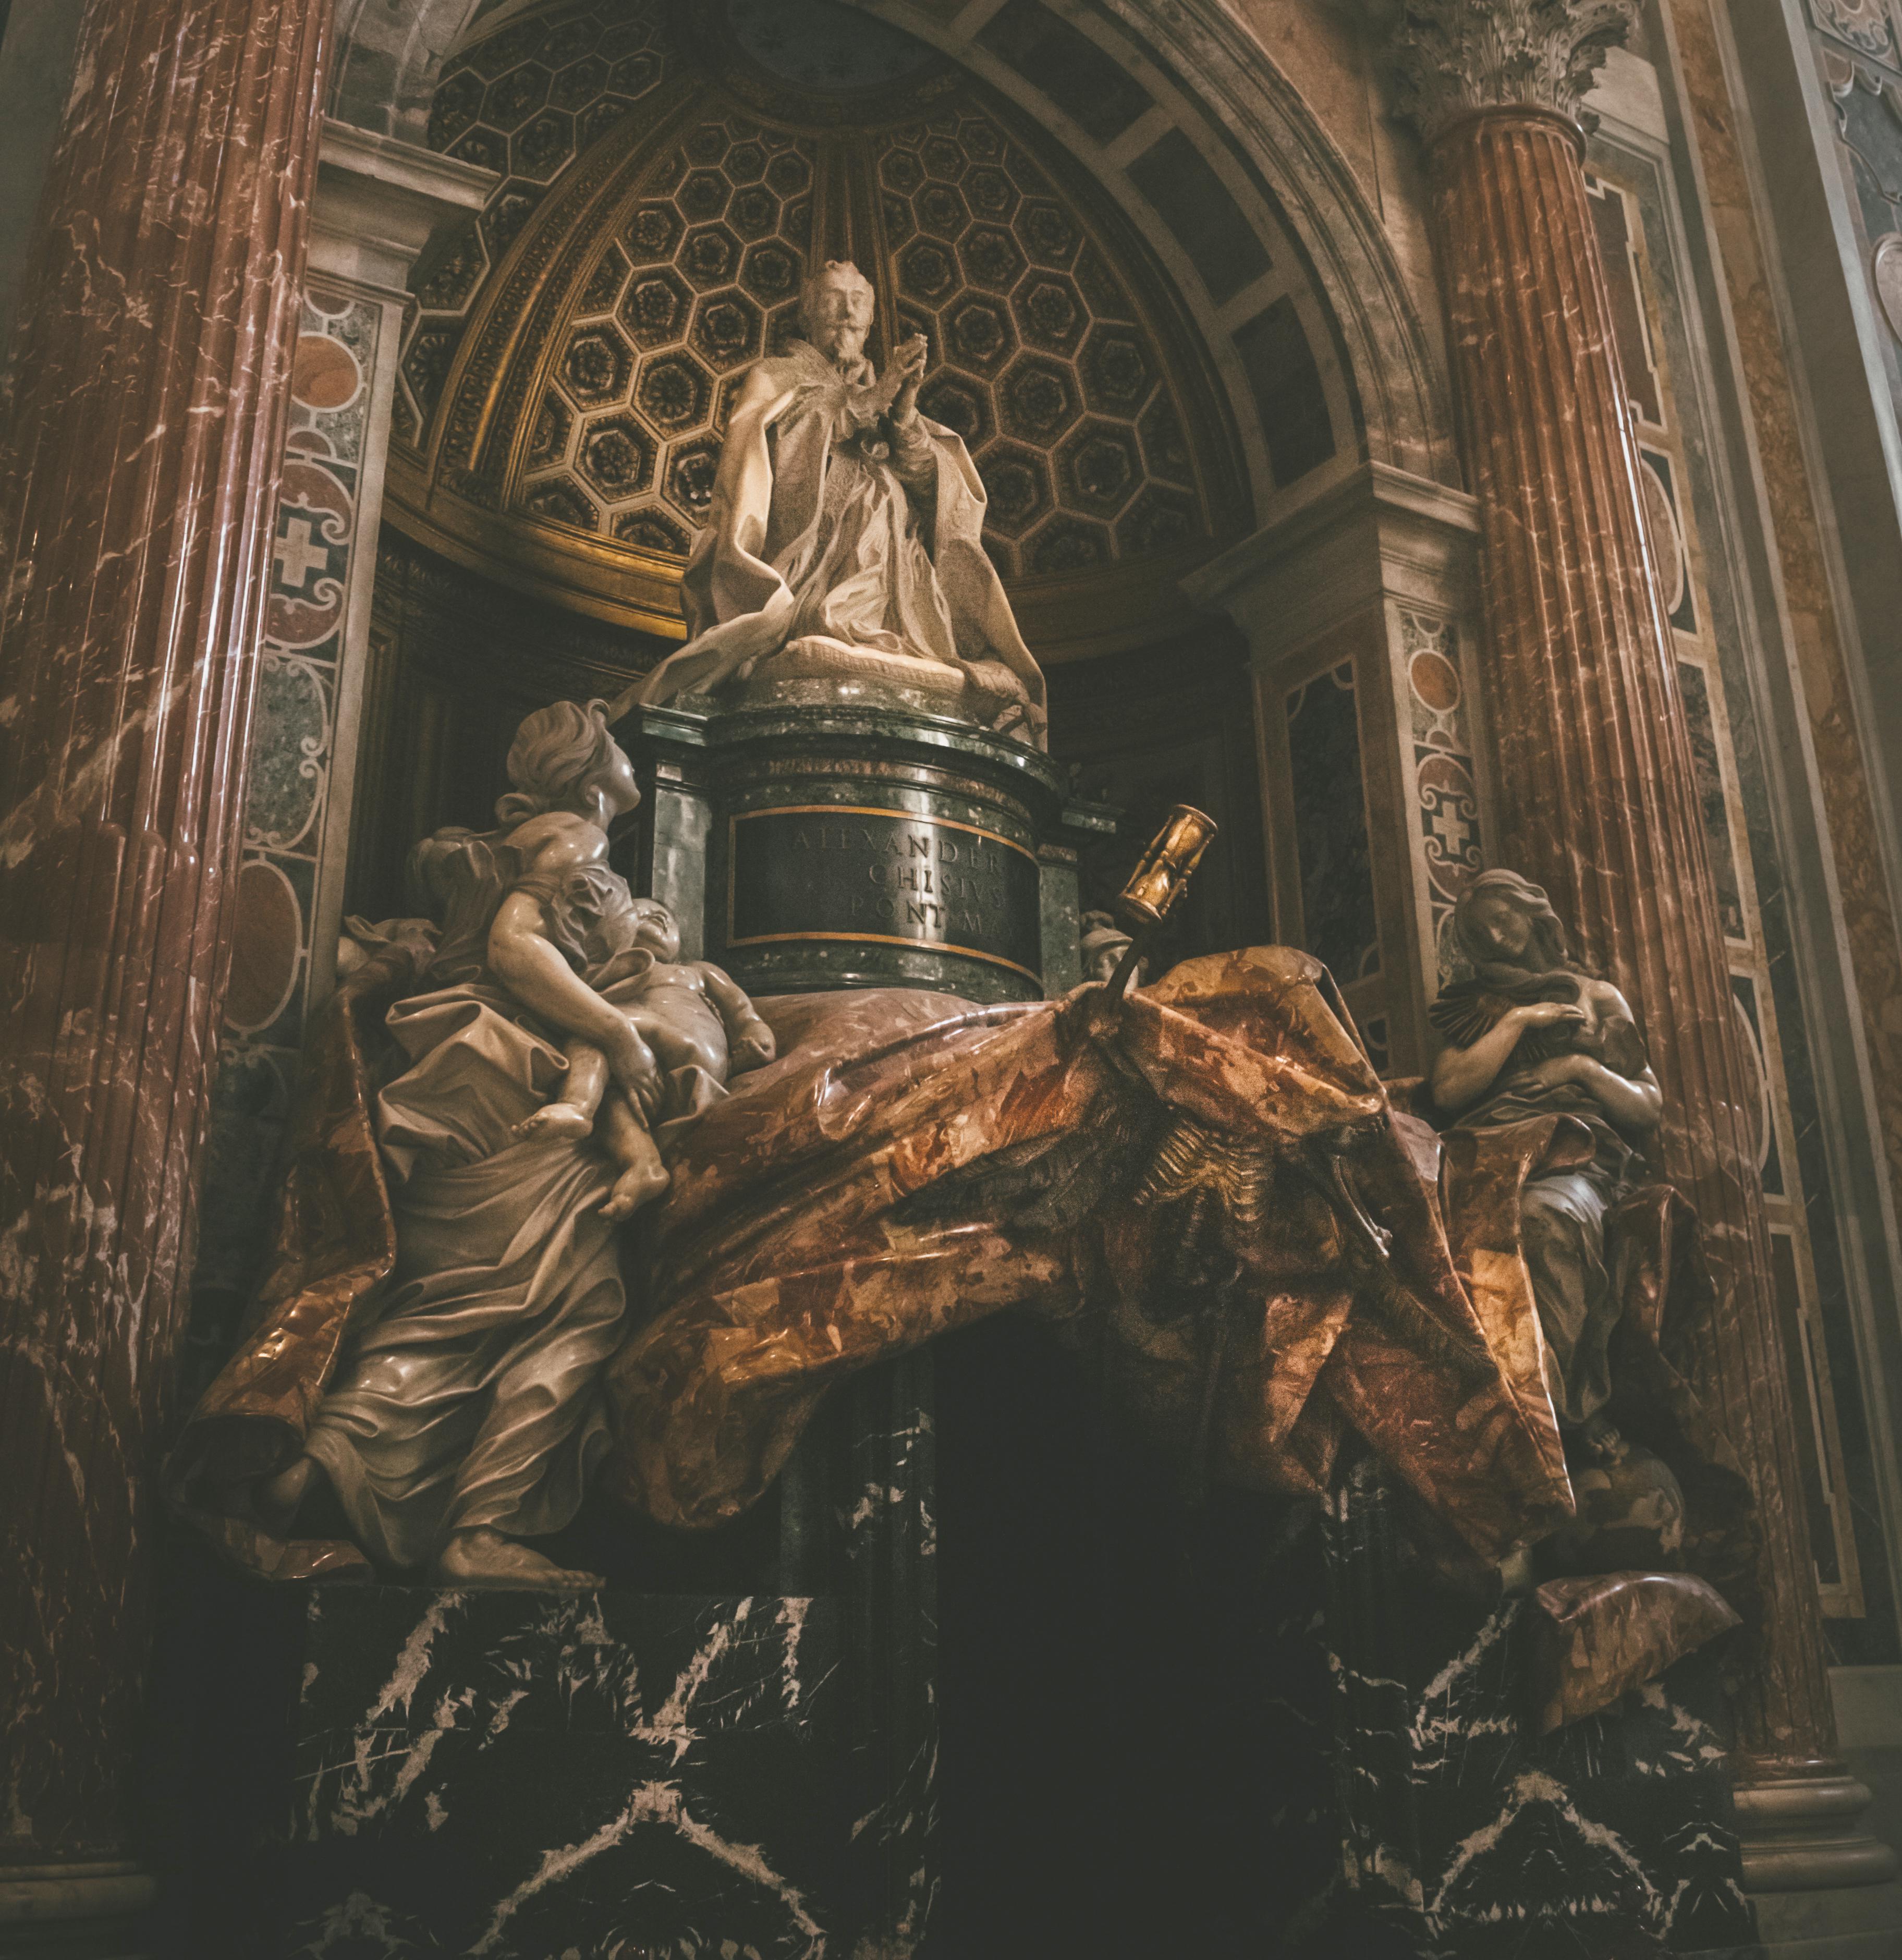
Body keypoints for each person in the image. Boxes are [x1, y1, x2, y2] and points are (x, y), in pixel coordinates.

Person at [633, 259, 1047, 742]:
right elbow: (760, 460)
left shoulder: (887, 391)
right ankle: (823, 623)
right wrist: (864, 404)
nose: (848, 312)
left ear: (870, 321)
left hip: (899, 570)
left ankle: (897, 638)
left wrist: (903, 412)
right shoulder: (775, 378)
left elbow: (938, 498)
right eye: (833, 300)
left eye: (858, 302)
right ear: (807, 315)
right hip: (810, 562)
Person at [1428, 871, 1662, 1459]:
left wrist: (1580, 1070)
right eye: (1479, 930)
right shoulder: (1476, 1007)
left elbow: (1647, 1104)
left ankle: (1564, 1411)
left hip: (1573, 1156)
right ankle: (1496, 1406)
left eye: (1502, 917)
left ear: (1533, 911)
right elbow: (1450, 1091)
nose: (1495, 935)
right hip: (1490, 1153)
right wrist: (1518, 1023)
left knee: (1544, 1217)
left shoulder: (1596, 997)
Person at [511, 892, 776, 1219]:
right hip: (648, 1088)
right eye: (642, 913)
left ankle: (576, 1105)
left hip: (692, 1048)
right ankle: (643, 1164)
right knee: (611, 1104)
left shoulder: (696, 971)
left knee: (597, 1032)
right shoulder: (604, 971)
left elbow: (745, 1016)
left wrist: (759, 1044)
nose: (657, 917)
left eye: (666, 919)